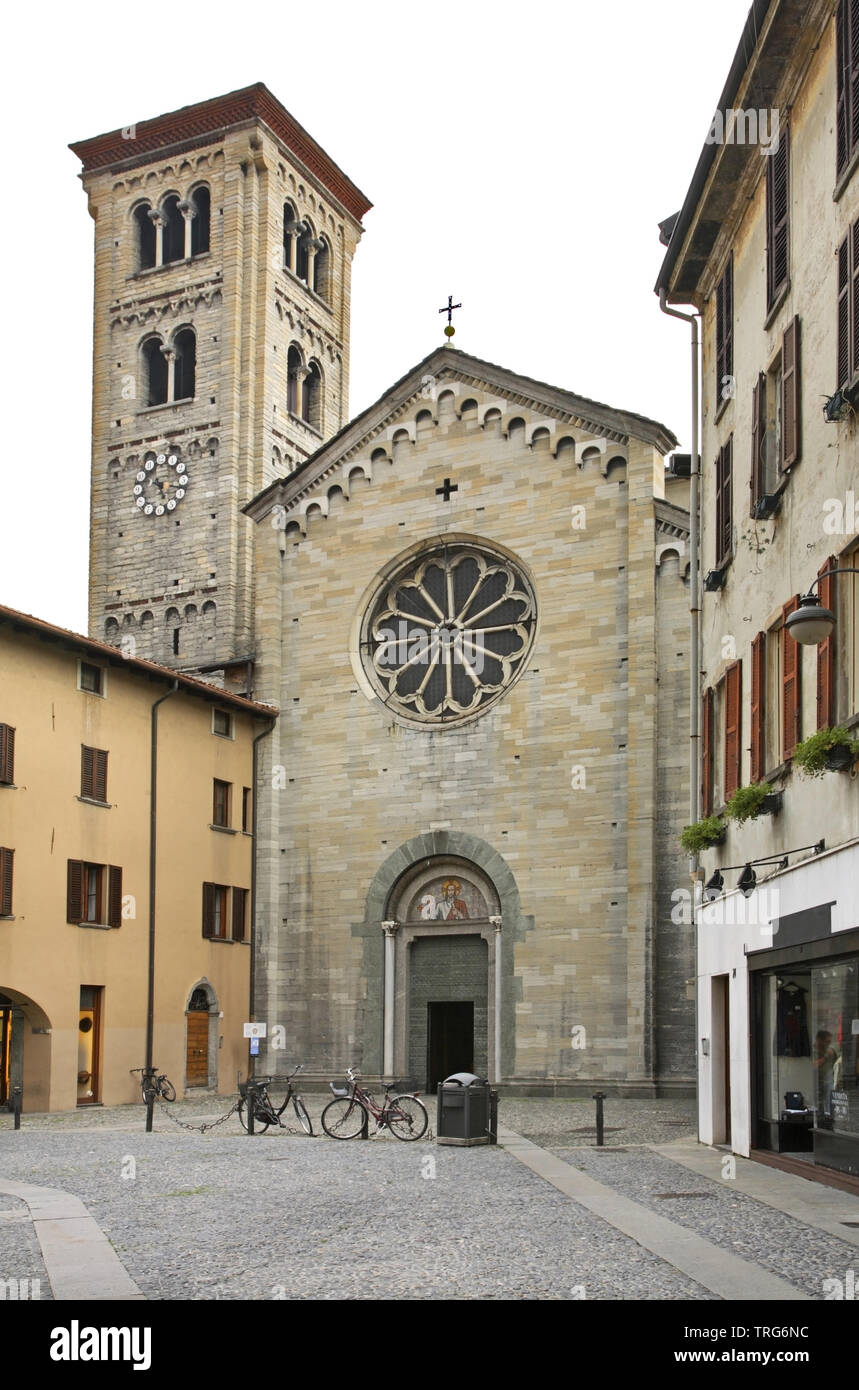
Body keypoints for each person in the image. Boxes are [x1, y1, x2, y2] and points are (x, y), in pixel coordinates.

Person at [812, 1029, 839, 1122]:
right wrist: (826, 1056)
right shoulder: (814, 1050)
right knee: (818, 1103)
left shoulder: (830, 1050)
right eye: (827, 1041)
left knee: (829, 1099)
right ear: (820, 1040)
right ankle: (820, 1118)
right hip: (817, 1080)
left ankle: (829, 1117)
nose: (828, 1044)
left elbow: (837, 1063)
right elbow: (815, 1065)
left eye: (830, 1042)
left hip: (828, 1080)